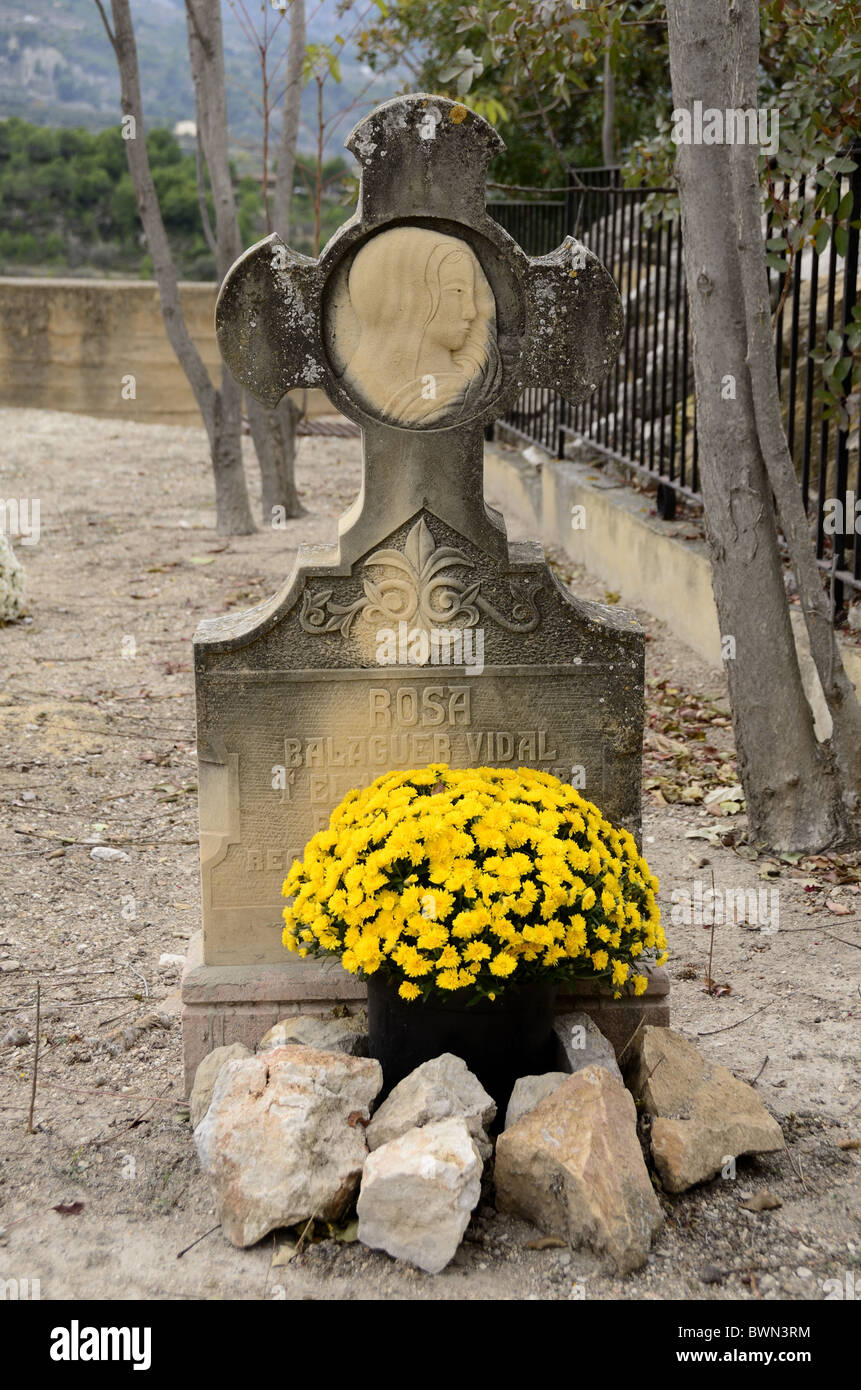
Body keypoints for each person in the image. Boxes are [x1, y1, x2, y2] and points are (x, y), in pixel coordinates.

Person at [341, 225, 502, 426]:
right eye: (458, 291)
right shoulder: (361, 383)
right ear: (409, 299)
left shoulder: (469, 386)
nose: (471, 312)